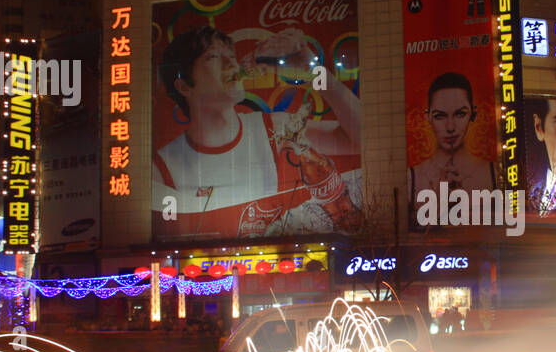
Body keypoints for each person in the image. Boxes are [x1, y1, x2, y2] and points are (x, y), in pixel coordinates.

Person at [152, 26, 362, 230]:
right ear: (184, 86)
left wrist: (313, 72)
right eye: (213, 57)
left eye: (232, 56)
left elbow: (363, 138)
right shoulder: (161, 168)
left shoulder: (273, 128)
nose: (231, 64)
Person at [408, 72, 496, 200]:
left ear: (473, 113)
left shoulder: (493, 173)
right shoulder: (412, 177)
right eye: (440, 116)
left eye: (460, 114)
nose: (450, 127)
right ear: (428, 117)